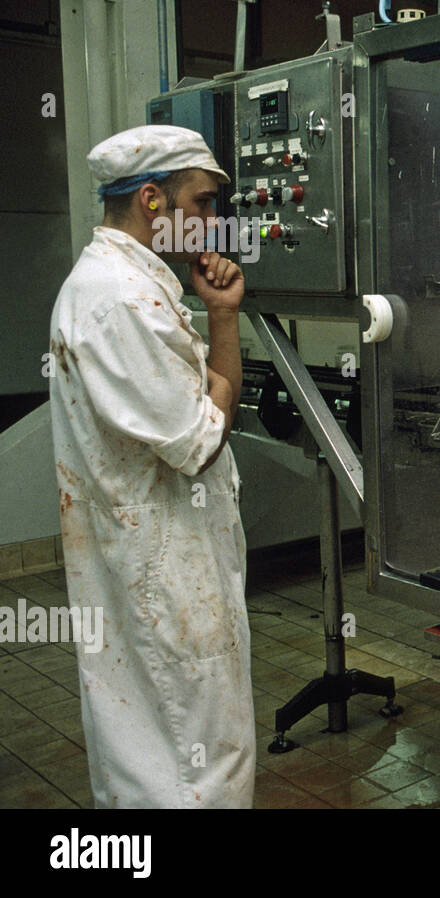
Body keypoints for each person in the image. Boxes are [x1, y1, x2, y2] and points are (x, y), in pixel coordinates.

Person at [49, 125, 254, 807]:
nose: (216, 221)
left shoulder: (132, 282)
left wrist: (215, 313)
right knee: (193, 762)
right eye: (203, 202)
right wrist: (225, 322)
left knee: (153, 751)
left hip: (157, 561)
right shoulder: (119, 299)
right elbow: (201, 439)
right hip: (162, 572)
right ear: (151, 202)